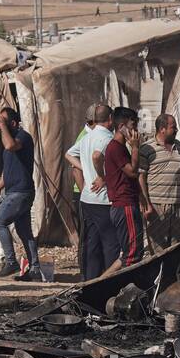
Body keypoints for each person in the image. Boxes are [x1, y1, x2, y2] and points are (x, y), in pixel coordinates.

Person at [66, 104, 118, 280]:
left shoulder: (88, 137)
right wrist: (101, 176)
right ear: (110, 119)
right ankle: (109, 282)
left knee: (92, 244)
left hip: (87, 198)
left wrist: (86, 171)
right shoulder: (109, 138)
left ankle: (90, 281)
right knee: (110, 244)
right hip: (104, 200)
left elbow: (69, 154)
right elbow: (97, 156)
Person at [0, 107, 41, 281]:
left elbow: (11, 146)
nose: (0, 125)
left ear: (12, 123)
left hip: (21, 191)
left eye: (4, 122)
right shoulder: (7, 142)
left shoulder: (22, 136)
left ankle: (11, 262)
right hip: (14, 191)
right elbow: (7, 170)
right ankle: (34, 269)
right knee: (24, 230)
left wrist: (3, 125)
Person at [139, 113, 180, 251]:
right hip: (156, 205)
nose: (176, 130)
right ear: (162, 129)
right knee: (160, 249)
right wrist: (146, 204)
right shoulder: (147, 148)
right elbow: (140, 177)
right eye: (173, 127)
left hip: (177, 205)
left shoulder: (178, 146)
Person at [103, 106, 146, 274]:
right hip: (124, 204)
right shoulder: (115, 148)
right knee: (133, 255)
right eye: (132, 126)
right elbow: (133, 172)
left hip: (126, 203)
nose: (135, 131)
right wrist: (135, 147)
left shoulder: (119, 148)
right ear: (121, 126)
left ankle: (99, 283)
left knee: (128, 254)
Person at [63, 104, 100, 271]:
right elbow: (75, 167)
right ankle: (85, 269)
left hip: (90, 192)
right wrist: (84, 187)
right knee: (86, 235)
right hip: (83, 192)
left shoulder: (92, 134)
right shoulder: (85, 136)